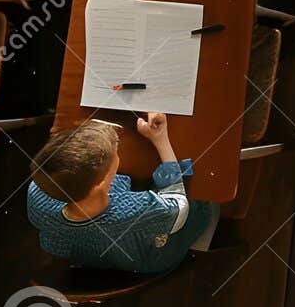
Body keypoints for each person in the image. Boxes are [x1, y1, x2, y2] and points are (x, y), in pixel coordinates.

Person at [27, 113, 216, 276]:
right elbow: (179, 203)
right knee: (199, 191)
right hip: (151, 257)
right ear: (100, 184)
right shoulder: (139, 211)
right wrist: (161, 139)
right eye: (115, 152)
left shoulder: (38, 189)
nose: (117, 150)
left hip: (89, 254)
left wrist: (95, 139)